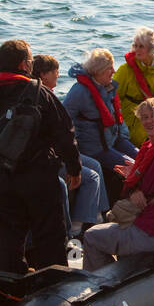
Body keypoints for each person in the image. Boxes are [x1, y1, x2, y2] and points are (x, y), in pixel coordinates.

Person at [0, 39, 82, 274]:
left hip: (2, 180)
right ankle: (53, 288)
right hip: (38, 178)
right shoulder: (40, 94)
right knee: (49, 235)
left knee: (10, 235)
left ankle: (9, 284)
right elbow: (64, 133)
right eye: (30, 60)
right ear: (23, 65)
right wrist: (74, 168)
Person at [82, 93, 154, 271]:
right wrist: (134, 181)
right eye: (145, 118)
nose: (149, 122)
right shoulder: (150, 148)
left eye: (153, 117)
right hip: (150, 224)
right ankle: (119, 276)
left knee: (91, 237)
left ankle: (103, 283)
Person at [33, 52, 106, 236]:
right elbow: (61, 133)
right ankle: (75, 227)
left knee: (96, 166)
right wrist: (72, 165)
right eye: (54, 71)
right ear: (43, 75)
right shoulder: (43, 99)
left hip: (59, 153)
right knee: (90, 177)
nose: (58, 74)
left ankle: (98, 215)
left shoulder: (44, 96)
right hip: (51, 158)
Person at [64, 48, 139, 205]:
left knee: (141, 158)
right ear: (97, 72)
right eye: (109, 68)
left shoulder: (108, 87)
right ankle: (112, 208)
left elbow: (116, 118)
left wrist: (124, 137)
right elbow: (63, 119)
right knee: (131, 168)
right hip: (94, 147)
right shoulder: (79, 92)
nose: (114, 71)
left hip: (113, 139)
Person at [115, 26, 154, 147]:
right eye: (135, 46)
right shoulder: (125, 70)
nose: (136, 50)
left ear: (151, 49)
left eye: (141, 46)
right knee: (146, 136)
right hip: (133, 115)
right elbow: (112, 96)